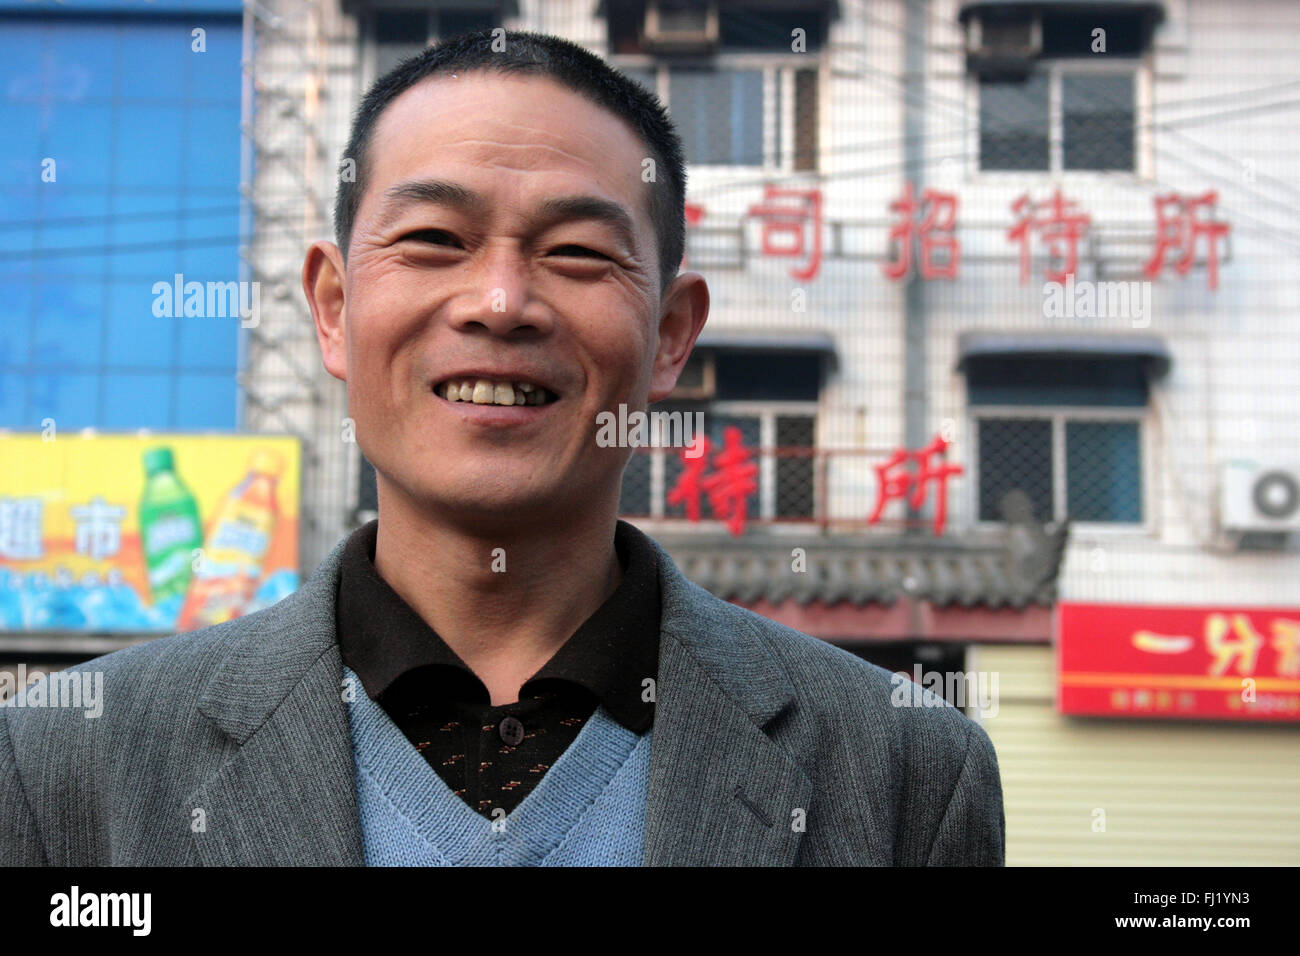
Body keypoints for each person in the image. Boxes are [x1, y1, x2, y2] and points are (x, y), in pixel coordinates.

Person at [0, 29, 1003, 866]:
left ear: (669, 334)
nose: (499, 303)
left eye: (573, 252)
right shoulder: (64, 767)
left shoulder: (905, 774)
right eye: (435, 238)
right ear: (334, 308)